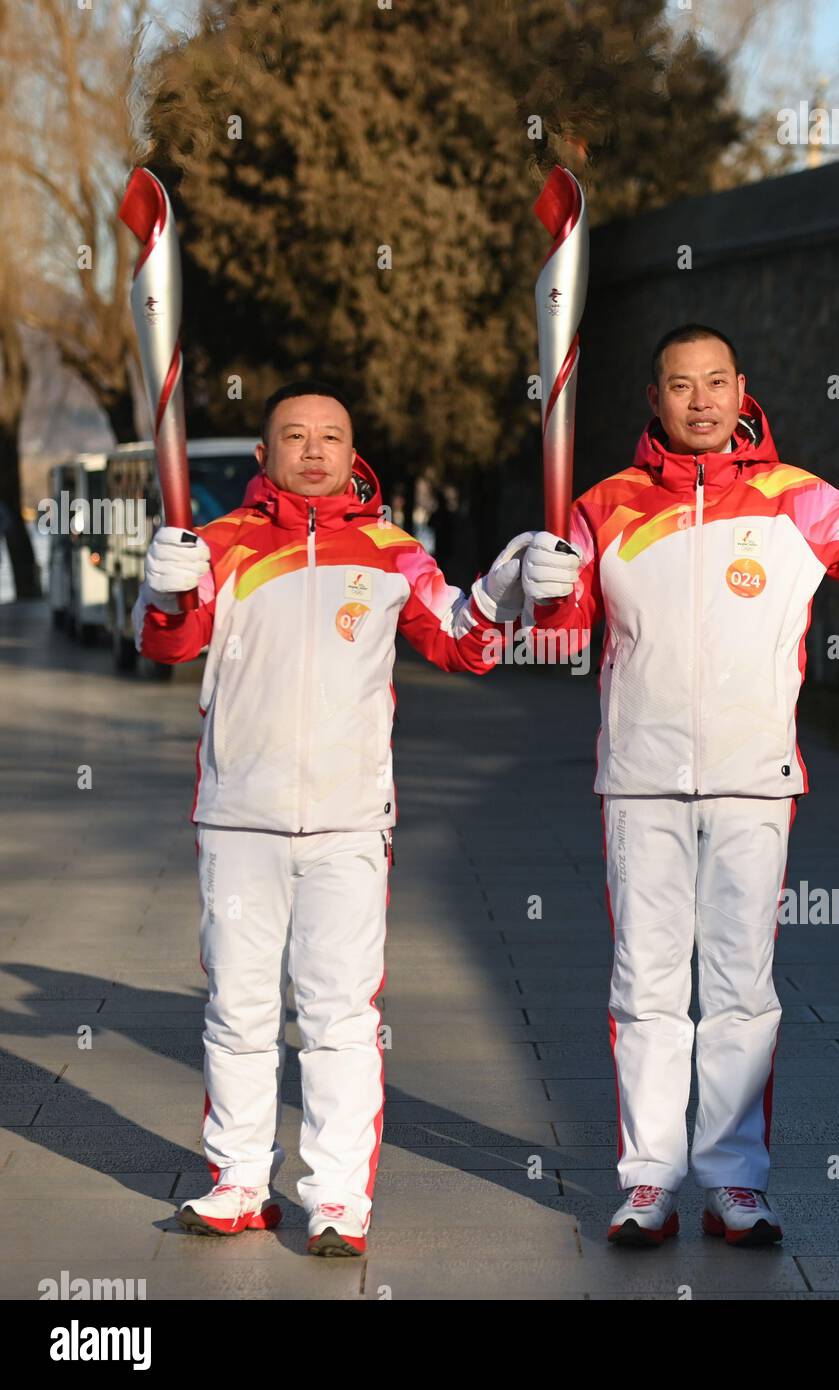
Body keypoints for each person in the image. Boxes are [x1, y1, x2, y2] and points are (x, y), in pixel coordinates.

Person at [520, 325, 839, 1248]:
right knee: (645, 988)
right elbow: (562, 634)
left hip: (751, 782)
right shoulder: (604, 505)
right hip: (641, 783)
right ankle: (648, 1182)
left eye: (716, 383)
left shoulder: (796, 499)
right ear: (653, 399)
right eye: (680, 386)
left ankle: (736, 1182)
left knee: (740, 988)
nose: (700, 401)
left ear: (742, 391)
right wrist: (545, 586)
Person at [133, 380, 531, 1256]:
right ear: (264, 456)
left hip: (351, 824)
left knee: (338, 1015)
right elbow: (168, 643)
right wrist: (159, 589)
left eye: (331, 437)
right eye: (294, 436)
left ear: (355, 454)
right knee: (237, 1011)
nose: (313, 451)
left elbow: (463, 642)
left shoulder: (393, 553)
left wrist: (503, 590)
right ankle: (238, 1181)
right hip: (240, 818)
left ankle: (337, 1198)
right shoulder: (222, 545)